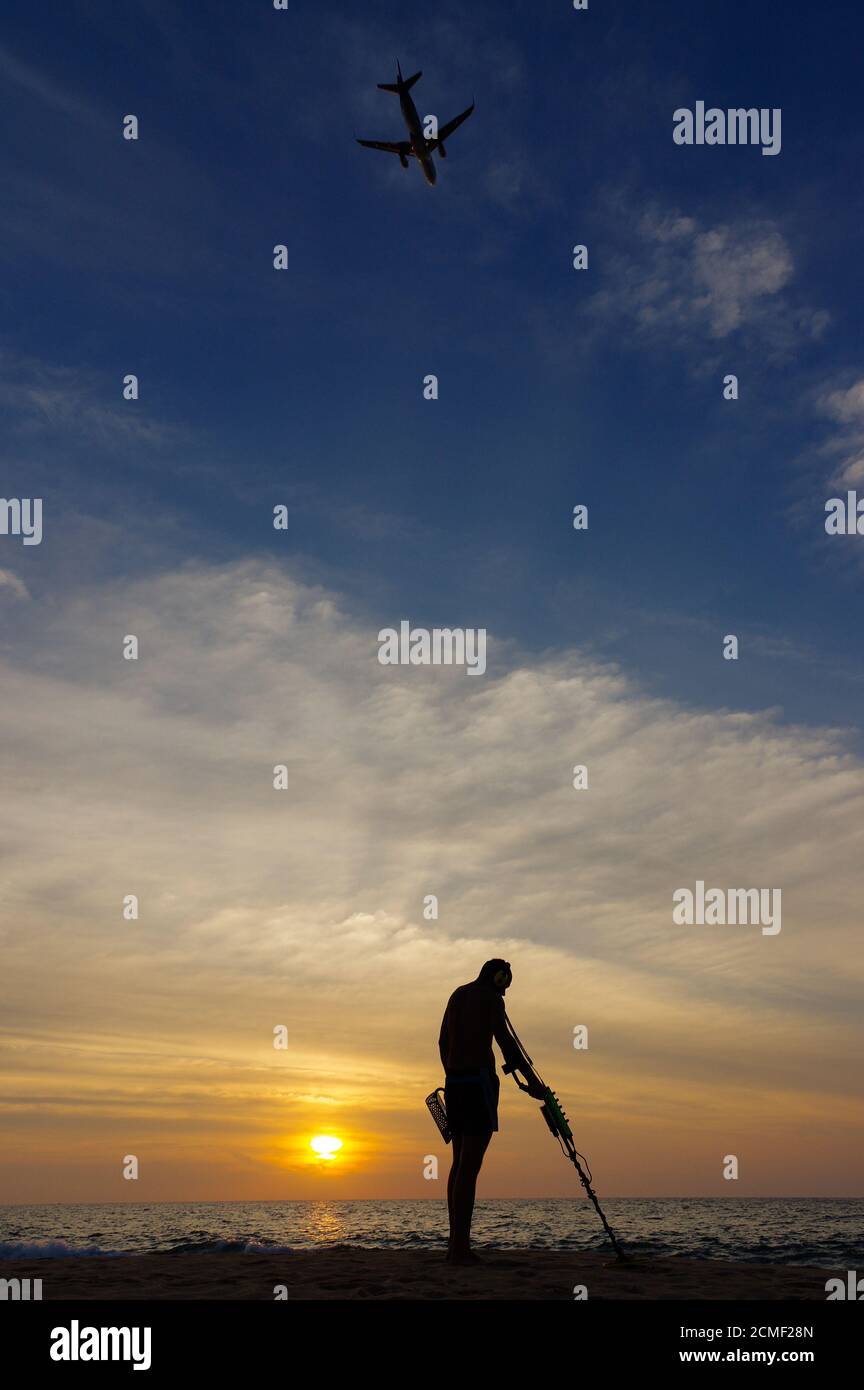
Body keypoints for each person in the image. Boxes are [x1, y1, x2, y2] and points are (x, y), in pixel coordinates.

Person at [438, 959, 545, 1265]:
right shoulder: (490, 999)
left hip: (455, 1084)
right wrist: (533, 1082)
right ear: (498, 978)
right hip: (477, 1085)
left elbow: (442, 1041)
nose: (505, 991)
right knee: (469, 1168)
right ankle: (460, 1250)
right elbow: (508, 1044)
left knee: (458, 1164)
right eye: (505, 983)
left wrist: (453, 1072)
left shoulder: (457, 994)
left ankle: (454, 1244)